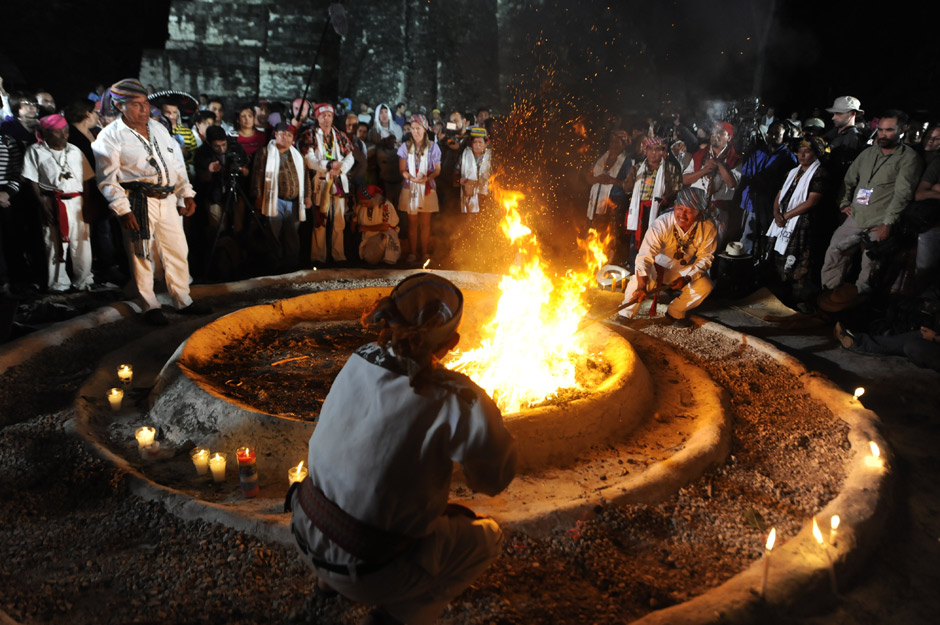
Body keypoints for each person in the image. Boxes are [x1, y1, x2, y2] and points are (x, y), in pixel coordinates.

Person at [289, 272, 516, 625]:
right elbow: (492, 480)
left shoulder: (359, 357)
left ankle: (326, 588)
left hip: (304, 530)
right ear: (452, 342)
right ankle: (400, 617)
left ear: (388, 318)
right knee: (487, 538)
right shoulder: (459, 398)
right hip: (371, 570)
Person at [92, 78, 211, 326]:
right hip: (138, 201)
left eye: (145, 103)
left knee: (177, 249)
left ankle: (183, 299)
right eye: (136, 105)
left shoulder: (159, 129)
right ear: (120, 106)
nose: (144, 109)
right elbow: (107, 180)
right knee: (141, 253)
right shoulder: (109, 137)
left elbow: (176, 165)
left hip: (167, 199)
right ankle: (150, 305)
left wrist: (185, 193)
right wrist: (123, 210)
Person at [819, 110, 923, 306]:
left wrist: (888, 224)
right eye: (880, 130)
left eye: (889, 130)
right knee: (835, 251)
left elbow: (903, 194)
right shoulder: (868, 153)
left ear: (902, 130)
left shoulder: (909, 158)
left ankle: (858, 306)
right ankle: (830, 299)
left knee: (870, 267)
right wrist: (844, 203)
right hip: (857, 216)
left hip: (880, 221)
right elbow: (849, 179)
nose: (883, 134)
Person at [617, 187, 717, 327]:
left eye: (689, 210)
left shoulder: (708, 227)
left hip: (680, 271)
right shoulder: (662, 223)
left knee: (704, 285)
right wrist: (641, 286)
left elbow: (705, 258)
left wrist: (687, 278)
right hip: (656, 267)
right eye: (679, 208)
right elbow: (645, 256)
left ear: (701, 213)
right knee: (639, 277)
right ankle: (626, 314)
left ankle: (675, 312)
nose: (682, 214)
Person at [22, 114, 94, 292]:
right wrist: (43, 203)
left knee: (82, 244)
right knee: (54, 244)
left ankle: (84, 281)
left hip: (77, 202)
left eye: (66, 131)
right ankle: (58, 284)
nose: (64, 136)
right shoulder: (35, 151)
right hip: (53, 202)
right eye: (58, 132)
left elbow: (86, 179)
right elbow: (32, 180)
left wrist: (88, 204)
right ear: (45, 133)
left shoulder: (75, 151)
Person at [765, 136, 829, 304]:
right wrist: (776, 213)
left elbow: (812, 201)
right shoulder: (792, 172)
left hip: (801, 223)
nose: (802, 155)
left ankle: (797, 300)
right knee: (779, 257)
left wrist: (785, 216)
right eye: (799, 151)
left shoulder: (819, 173)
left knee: (798, 261)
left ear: (816, 154)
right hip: (783, 221)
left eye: (806, 152)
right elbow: (779, 195)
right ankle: (779, 295)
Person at [251, 122, 311, 271]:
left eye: (289, 135)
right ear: (276, 135)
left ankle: (291, 266)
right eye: (282, 134)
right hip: (274, 200)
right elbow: (257, 176)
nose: (285, 137)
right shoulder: (266, 153)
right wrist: (258, 197)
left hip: (295, 201)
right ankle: (274, 266)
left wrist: (308, 196)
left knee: (292, 237)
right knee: (273, 235)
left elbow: (305, 177)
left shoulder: (297, 155)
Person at [305, 103, 354, 264]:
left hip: (338, 180)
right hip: (320, 181)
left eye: (329, 116)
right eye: (323, 116)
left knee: (339, 220)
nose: (326, 119)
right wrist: (327, 165)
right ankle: (318, 257)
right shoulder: (310, 134)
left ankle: (338, 255)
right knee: (321, 220)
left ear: (333, 118)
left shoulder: (339, 135)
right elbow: (309, 159)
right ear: (317, 117)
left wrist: (340, 169)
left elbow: (350, 156)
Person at [737, 122, 797, 256]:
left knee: (766, 239)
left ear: (784, 137)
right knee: (746, 236)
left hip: (770, 205)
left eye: (778, 134)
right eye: (771, 133)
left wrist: (765, 182)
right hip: (750, 202)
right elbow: (745, 173)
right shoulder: (756, 152)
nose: (773, 136)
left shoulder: (788, 158)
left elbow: (786, 184)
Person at [624, 136, 683, 268]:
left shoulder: (671, 168)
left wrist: (668, 198)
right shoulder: (639, 168)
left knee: (656, 243)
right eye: (650, 149)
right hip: (639, 211)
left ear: (663, 152)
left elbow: (679, 190)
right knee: (637, 242)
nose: (653, 153)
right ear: (645, 151)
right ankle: (635, 272)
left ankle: (653, 274)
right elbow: (627, 189)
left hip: (659, 210)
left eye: (657, 150)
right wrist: (631, 175)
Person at [682, 122, 742, 250]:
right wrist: (704, 170)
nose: (716, 135)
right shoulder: (700, 155)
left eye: (721, 133)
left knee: (711, 250)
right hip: (695, 208)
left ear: (729, 137)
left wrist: (718, 164)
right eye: (714, 132)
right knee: (690, 248)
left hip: (718, 212)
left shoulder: (735, 160)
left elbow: (732, 183)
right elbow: (685, 179)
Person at [398, 114, 441, 263]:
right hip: (410, 187)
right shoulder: (406, 146)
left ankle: (424, 252)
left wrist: (426, 179)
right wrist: (410, 177)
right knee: (412, 222)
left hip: (427, 187)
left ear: (425, 129)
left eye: (418, 128)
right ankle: (412, 252)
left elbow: (437, 170)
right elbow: (402, 169)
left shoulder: (433, 147)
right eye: (412, 129)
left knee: (425, 223)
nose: (415, 132)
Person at [355, 184, 400, 265]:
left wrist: (366, 228)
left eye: (365, 203)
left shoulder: (385, 206)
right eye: (362, 203)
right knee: (368, 258)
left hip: (383, 235)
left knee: (385, 238)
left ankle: (387, 260)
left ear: (373, 200)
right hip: (369, 238)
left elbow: (385, 226)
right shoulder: (361, 207)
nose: (363, 205)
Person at [458, 127, 492, 215]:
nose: (477, 145)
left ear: (485, 144)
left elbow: (498, 175)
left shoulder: (491, 158)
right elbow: (455, 173)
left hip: (486, 196)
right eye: (474, 142)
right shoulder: (465, 155)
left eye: (480, 142)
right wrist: (460, 180)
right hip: (469, 195)